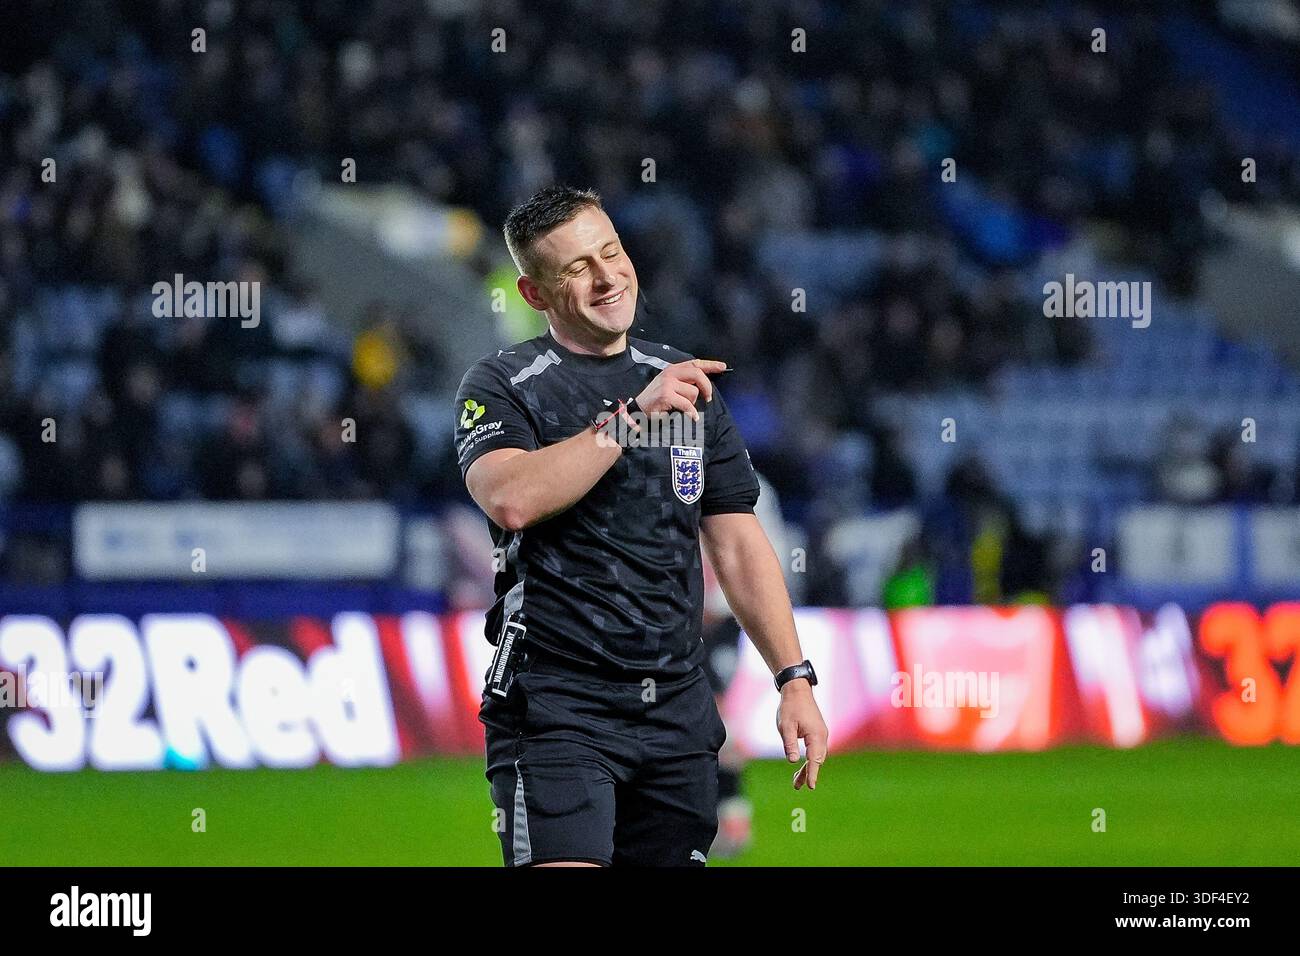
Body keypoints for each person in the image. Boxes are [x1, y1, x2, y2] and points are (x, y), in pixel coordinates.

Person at [453, 185, 828, 867]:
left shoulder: (687, 386)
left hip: (677, 714)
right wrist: (630, 419)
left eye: (611, 252)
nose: (606, 277)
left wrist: (793, 677)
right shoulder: (503, 384)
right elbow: (511, 499)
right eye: (575, 269)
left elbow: (739, 545)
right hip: (556, 707)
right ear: (535, 294)